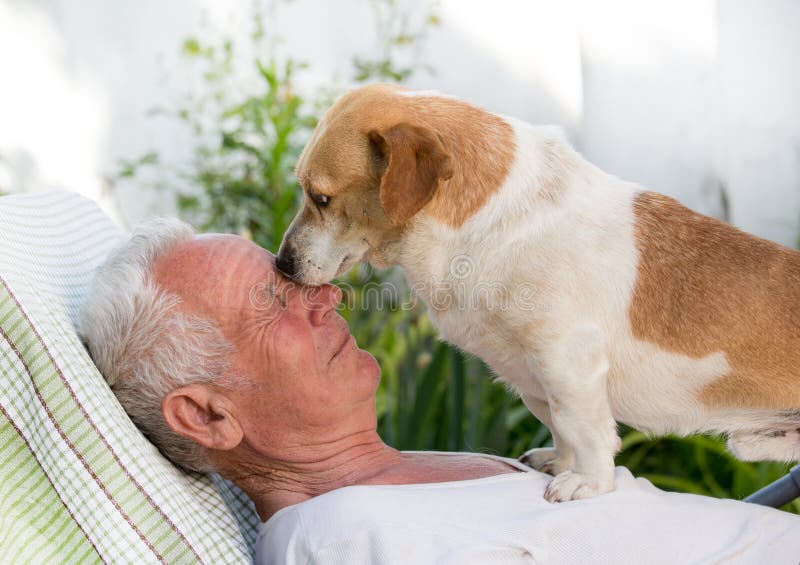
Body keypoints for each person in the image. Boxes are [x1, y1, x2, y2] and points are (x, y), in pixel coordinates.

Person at [80, 218, 800, 565]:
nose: (327, 292)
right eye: (274, 303)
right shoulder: (339, 540)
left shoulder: (398, 485)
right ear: (207, 414)